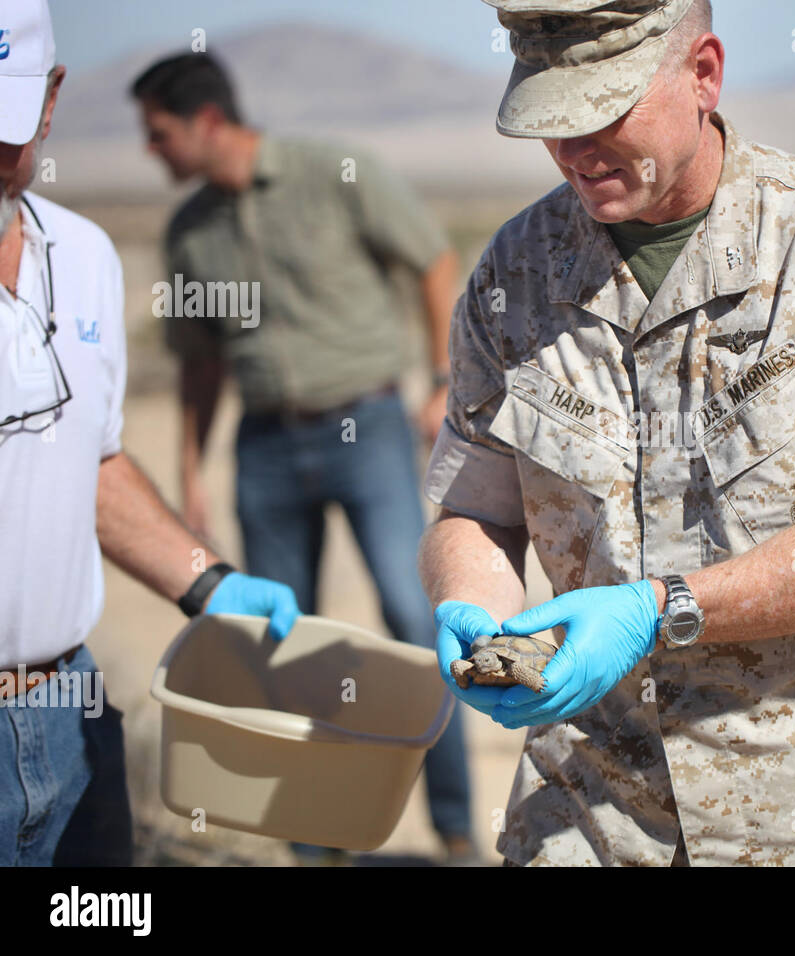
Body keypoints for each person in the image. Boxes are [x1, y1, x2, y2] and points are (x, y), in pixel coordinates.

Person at [421, 0, 795, 866]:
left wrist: (664, 611)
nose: (576, 149)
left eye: (605, 113)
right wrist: (476, 615)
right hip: (597, 814)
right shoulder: (513, 277)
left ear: (704, 74)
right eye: (552, 122)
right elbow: (476, 507)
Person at [129, 52, 478, 864]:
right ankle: (315, 844)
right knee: (273, 639)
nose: (151, 152)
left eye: (159, 134)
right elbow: (201, 363)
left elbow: (432, 259)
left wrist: (438, 380)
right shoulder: (189, 232)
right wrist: (188, 473)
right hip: (265, 448)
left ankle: (457, 830)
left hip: (370, 427)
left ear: (207, 120)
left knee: (415, 617)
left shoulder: (334, 174)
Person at [0, 0, 299, 867]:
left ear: (50, 100)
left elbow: (83, 460)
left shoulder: (86, 258)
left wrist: (204, 582)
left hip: (67, 709)